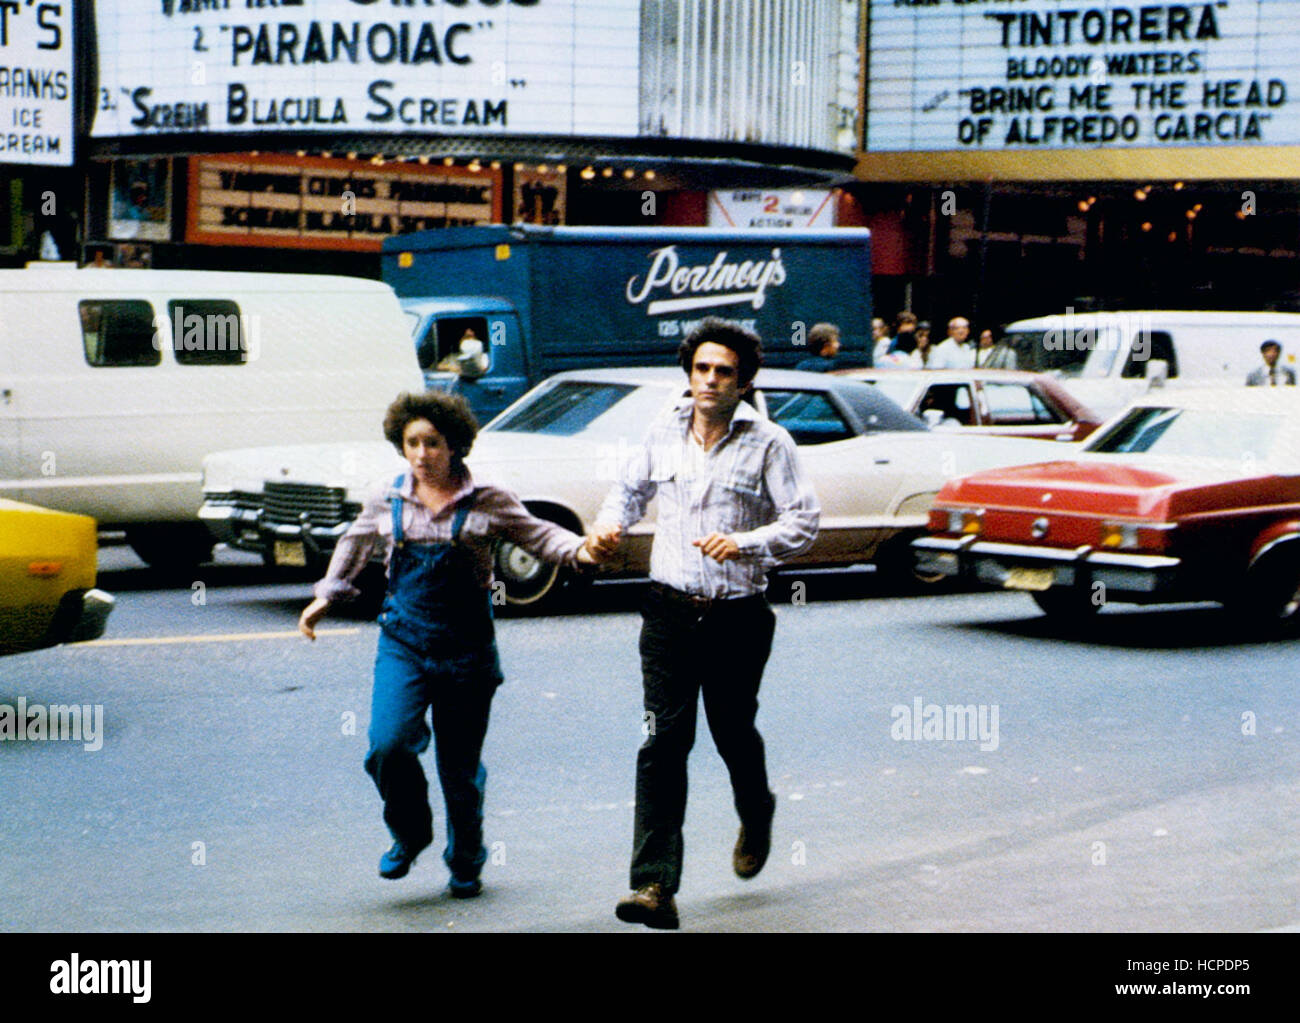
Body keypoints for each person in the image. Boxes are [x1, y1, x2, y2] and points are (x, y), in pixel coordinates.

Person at [298, 391, 608, 899]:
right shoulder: (387, 495)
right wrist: (327, 596)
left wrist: (583, 551)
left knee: (458, 768)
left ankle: (466, 859)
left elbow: (538, 535)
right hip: (403, 639)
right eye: (412, 442)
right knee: (387, 745)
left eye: (433, 443)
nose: (422, 454)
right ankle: (411, 832)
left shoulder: (488, 496)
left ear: (455, 446)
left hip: (467, 647)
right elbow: (355, 541)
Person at [588, 317, 820, 930]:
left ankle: (757, 807)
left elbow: (804, 522)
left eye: (724, 372)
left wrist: (744, 543)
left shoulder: (770, 442)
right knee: (663, 742)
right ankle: (653, 886)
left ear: (743, 382)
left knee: (732, 731)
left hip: (737, 617)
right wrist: (609, 526)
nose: (711, 382)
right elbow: (627, 492)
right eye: (702, 370)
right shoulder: (662, 429)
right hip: (668, 611)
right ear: (688, 374)